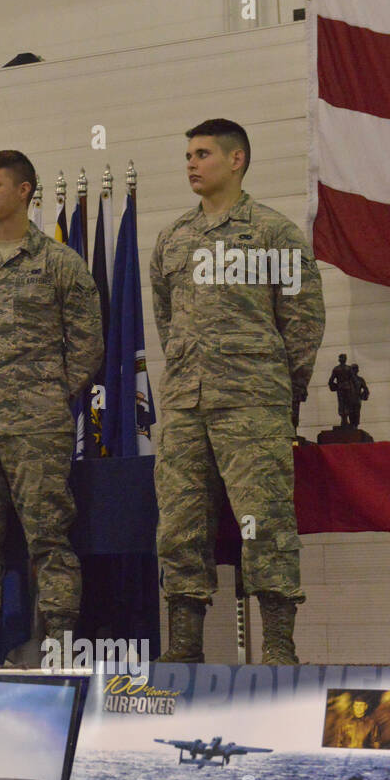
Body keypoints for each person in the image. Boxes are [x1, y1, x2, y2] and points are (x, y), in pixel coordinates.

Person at [151, 118, 325, 664]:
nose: (191, 163)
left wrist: (280, 392)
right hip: (185, 406)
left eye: (202, 153)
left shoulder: (274, 234)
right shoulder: (173, 238)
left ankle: (278, 646)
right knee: (180, 526)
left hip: (254, 405)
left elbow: (303, 322)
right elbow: (167, 321)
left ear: (236, 159)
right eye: (188, 155)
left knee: (266, 523)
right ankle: (184, 646)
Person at [0, 150, 103, 667]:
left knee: (49, 536)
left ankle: (61, 643)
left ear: (24, 191)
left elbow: (88, 345)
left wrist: (47, 394)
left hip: (37, 424)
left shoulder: (60, 263)